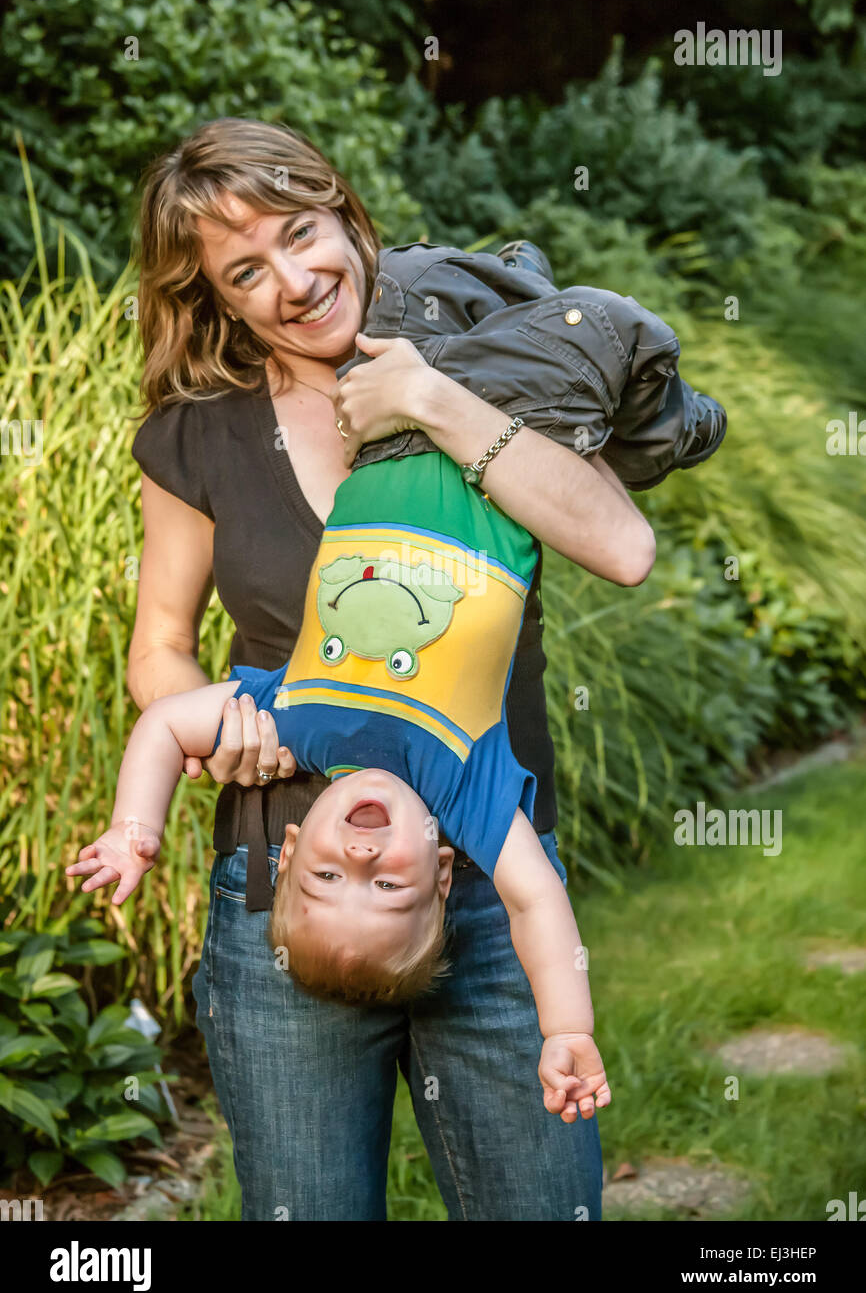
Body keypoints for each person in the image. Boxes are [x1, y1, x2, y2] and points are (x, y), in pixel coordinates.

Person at [123, 117, 656, 1221]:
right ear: (220, 301)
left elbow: (622, 547)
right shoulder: (199, 435)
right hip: (280, 893)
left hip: (496, 880)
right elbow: (161, 644)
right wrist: (210, 734)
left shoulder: (496, 358)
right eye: (245, 271)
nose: (293, 281)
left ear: (345, 215)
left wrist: (431, 402)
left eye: (299, 233)